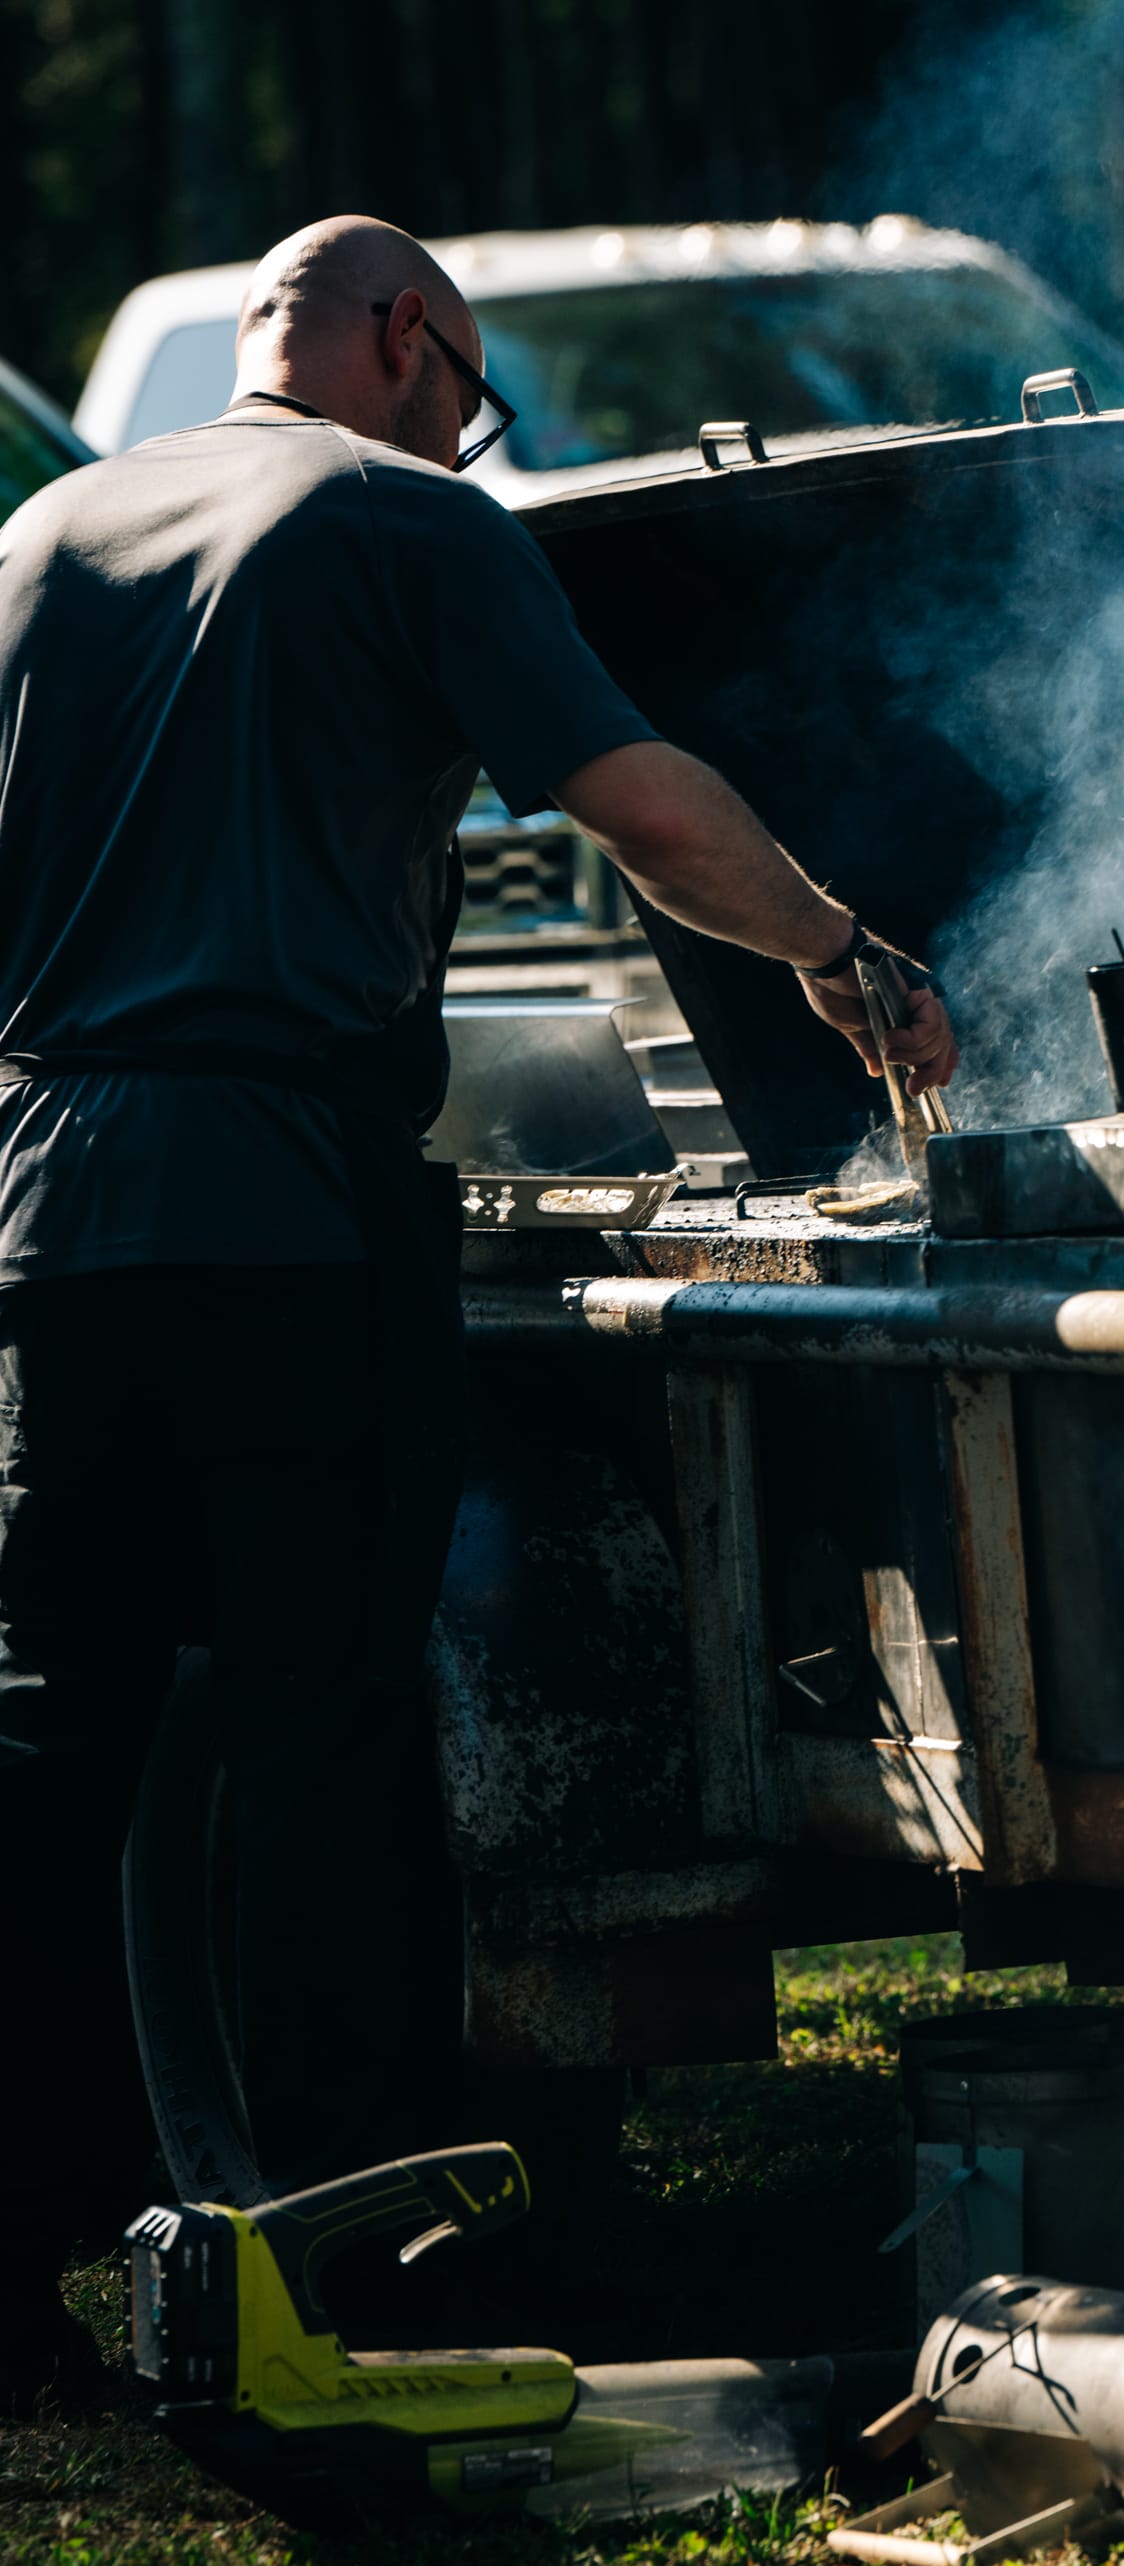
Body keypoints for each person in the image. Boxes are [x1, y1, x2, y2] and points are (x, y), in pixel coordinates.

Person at [0, 214, 957, 2412]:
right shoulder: (406, 513)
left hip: (58, 1209)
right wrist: (839, 951)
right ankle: (382, 2240)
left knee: (58, 1737)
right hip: (286, 1206)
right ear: (418, 342)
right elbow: (639, 808)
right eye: (469, 379)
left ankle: (25, 2252)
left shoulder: (44, 531)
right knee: (324, 1728)